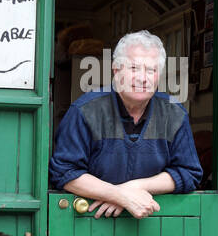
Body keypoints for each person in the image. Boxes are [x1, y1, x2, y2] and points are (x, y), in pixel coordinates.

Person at [49, 30, 202, 219]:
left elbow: (188, 172)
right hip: (89, 226)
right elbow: (64, 172)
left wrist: (134, 188)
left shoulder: (174, 113)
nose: (142, 78)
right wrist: (119, 195)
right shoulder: (85, 110)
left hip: (155, 228)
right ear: (116, 69)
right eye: (134, 68)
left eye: (151, 70)